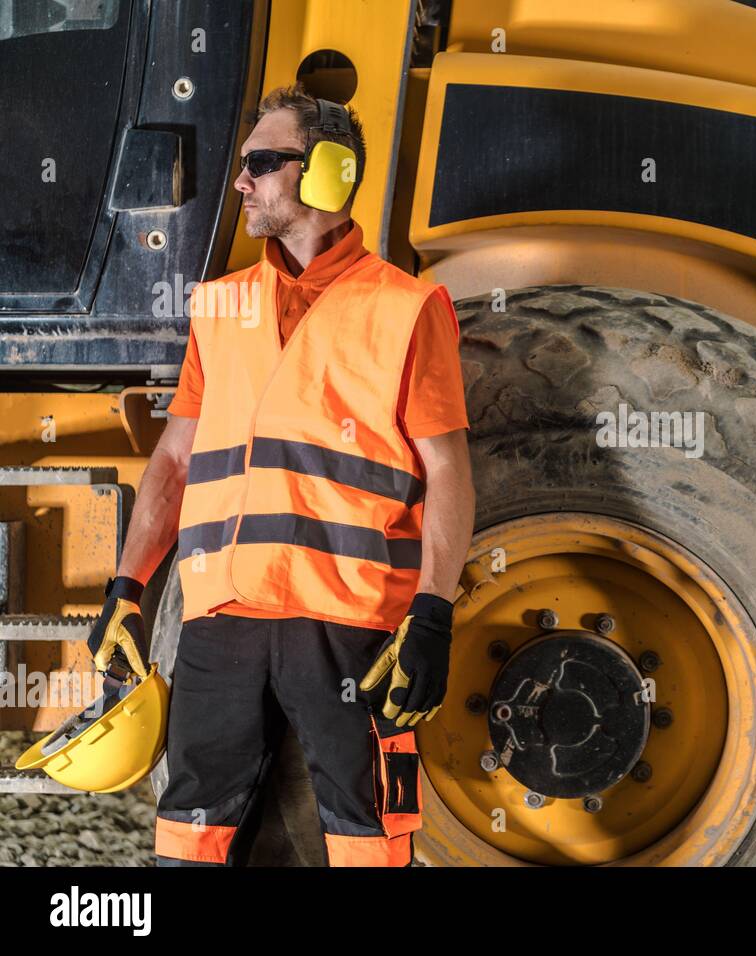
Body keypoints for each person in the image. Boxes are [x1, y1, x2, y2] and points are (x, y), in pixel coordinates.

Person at [85, 83, 474, 866]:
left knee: (368, 834)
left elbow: (449, 472)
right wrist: (127, 590)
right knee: (191, 831)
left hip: (351, 626)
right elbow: (175, 457)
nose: (240, 182)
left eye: (261, 163)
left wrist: (432, 611)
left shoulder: (406, 307)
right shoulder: (221, 306)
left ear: (328, 173)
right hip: (222, 618)